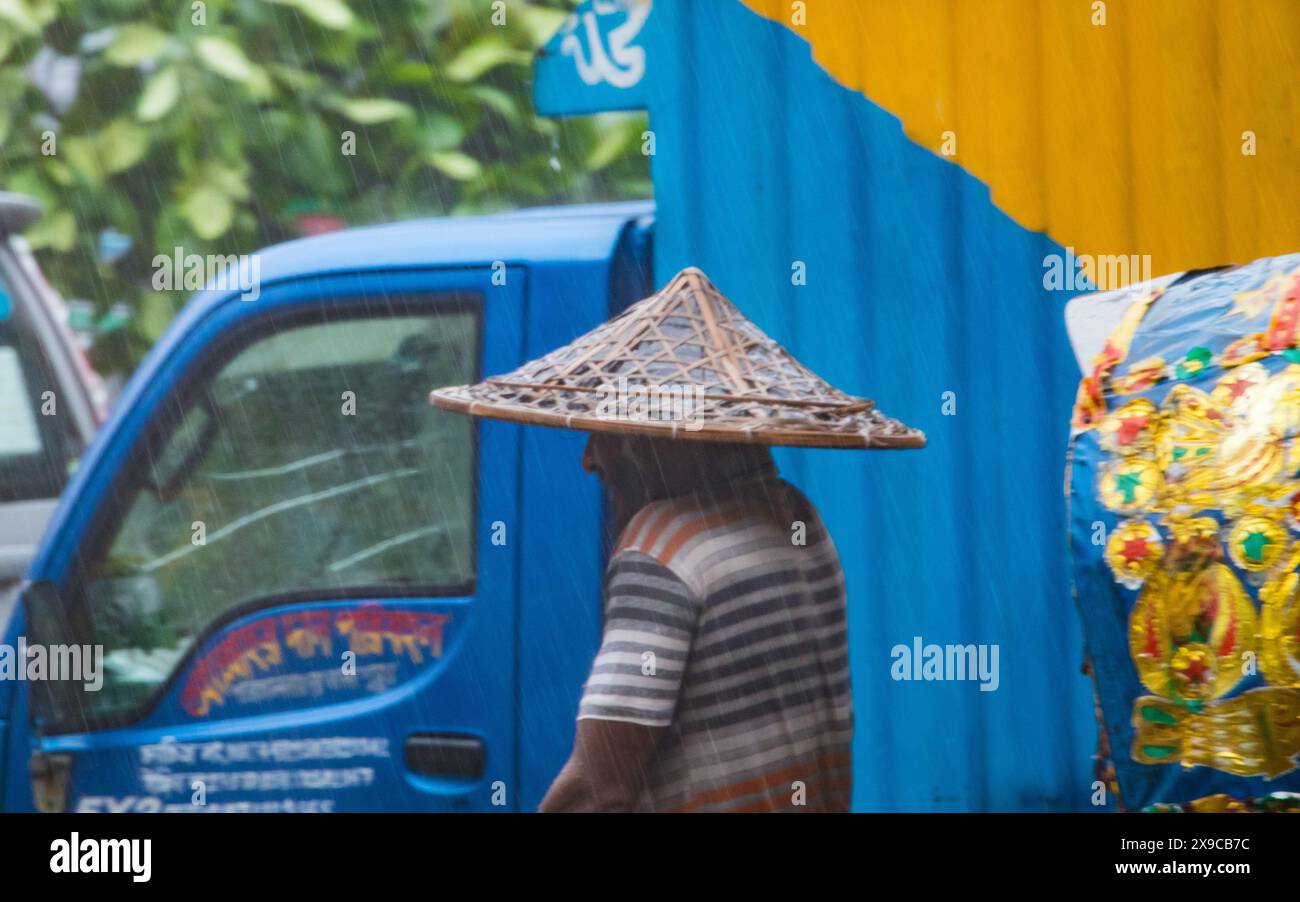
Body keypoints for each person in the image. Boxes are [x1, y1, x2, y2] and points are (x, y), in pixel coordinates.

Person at [430, 267, 924, 812]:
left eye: (609, 431)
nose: (591, 457)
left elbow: (601, 787)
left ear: (667, 443)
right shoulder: (797, 519)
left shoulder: (662, 546)